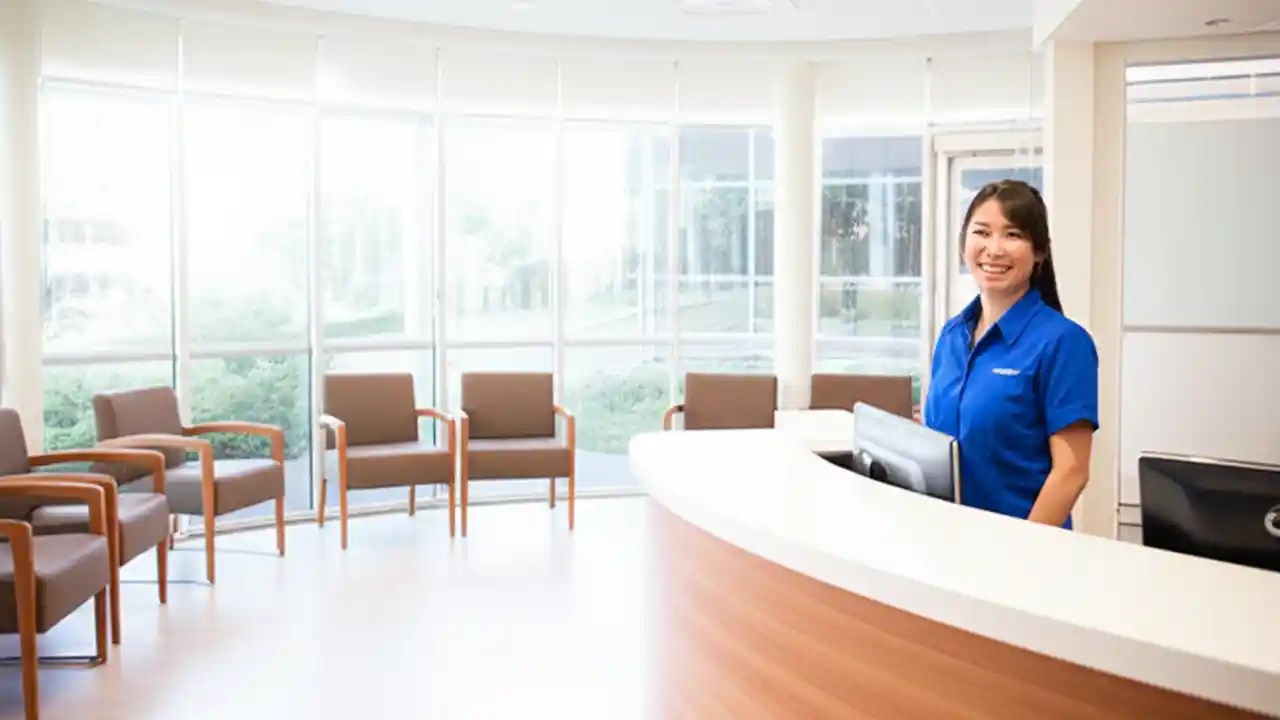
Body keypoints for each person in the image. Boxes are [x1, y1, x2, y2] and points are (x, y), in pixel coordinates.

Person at [924, 179, 1098, 528]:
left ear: (1039, 252)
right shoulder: (952, 336)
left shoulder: (1064, 343)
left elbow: (1072, 471)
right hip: (948, 543)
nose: (994, 249)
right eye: (982, 232)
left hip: (1022, 555)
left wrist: (1022, 555)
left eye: (1013, 235)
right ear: (964, 244)